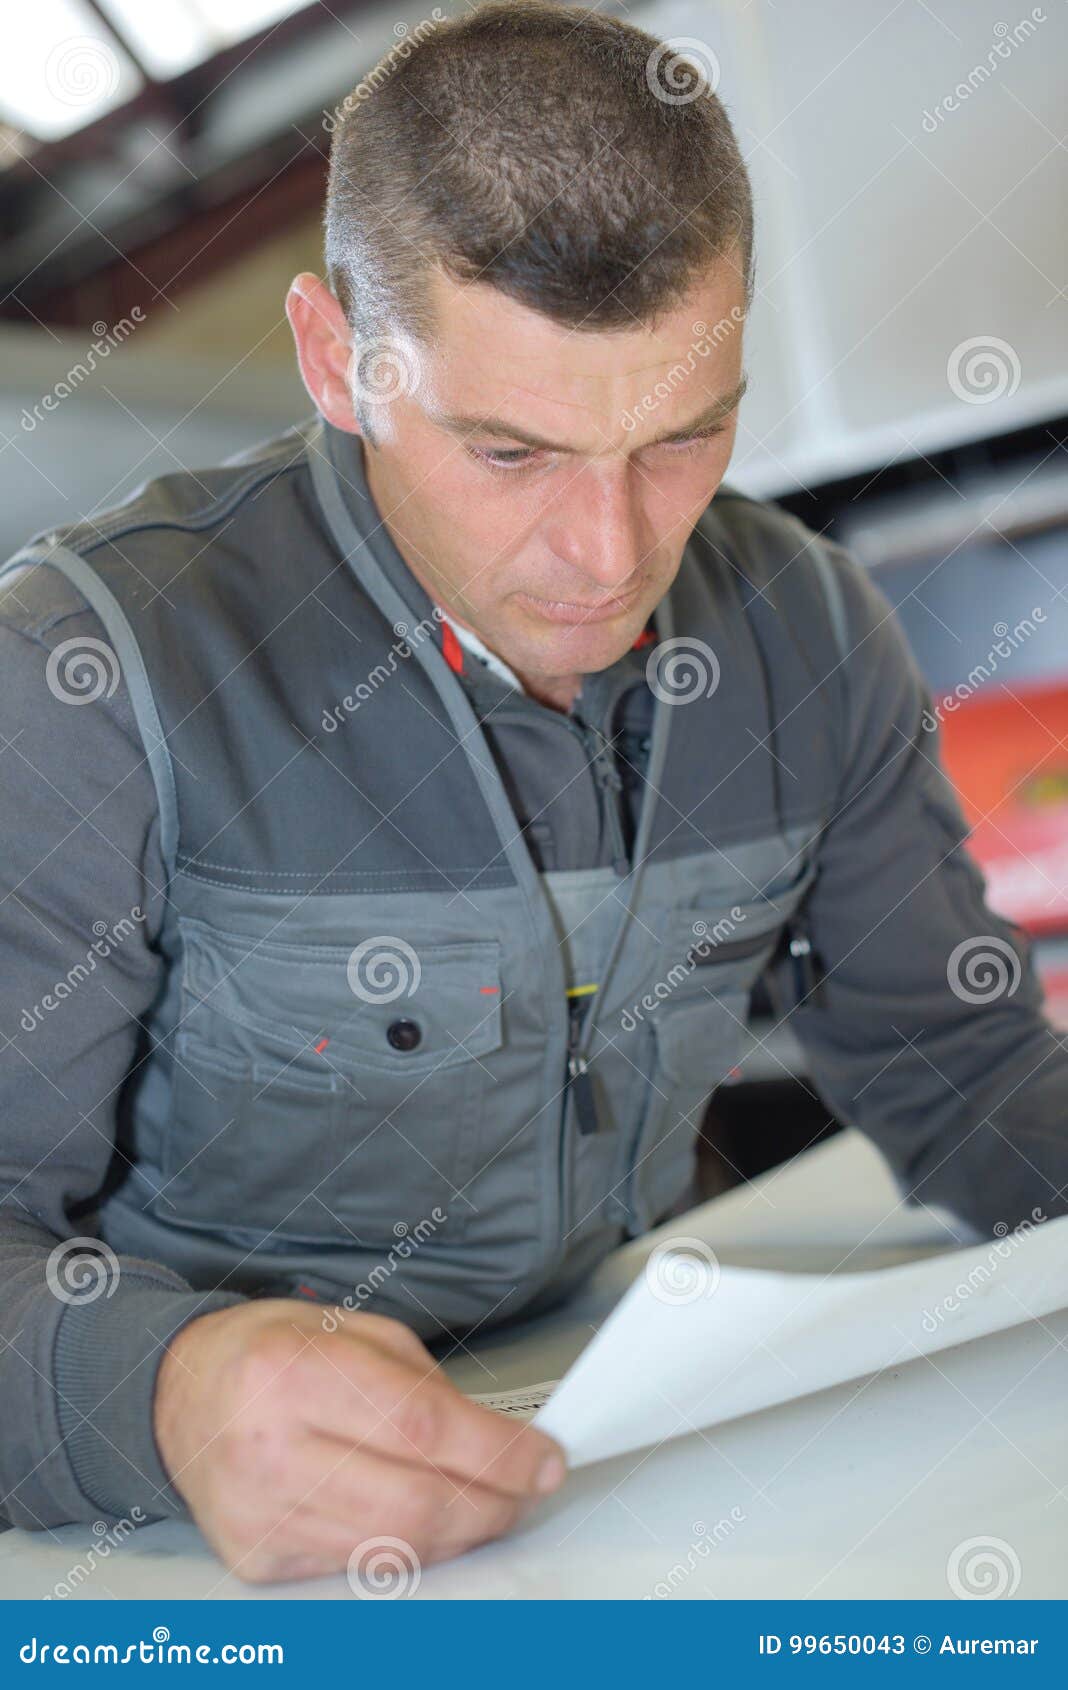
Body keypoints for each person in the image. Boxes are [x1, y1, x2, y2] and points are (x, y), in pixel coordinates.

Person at [1, 0, 1064, 1586]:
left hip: (598, 1464)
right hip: (191, 1552)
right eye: (510, 453)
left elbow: (952, 1057)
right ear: (333, 357)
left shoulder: (806, 629)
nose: (611, 555)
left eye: (683, 436)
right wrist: (154, 1392)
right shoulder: (90, 679)